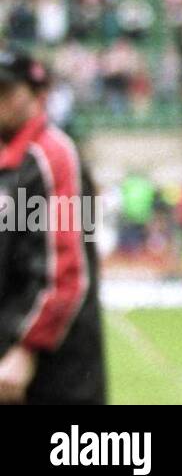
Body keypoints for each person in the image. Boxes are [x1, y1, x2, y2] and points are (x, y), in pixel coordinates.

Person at [0, 50, 106, 405]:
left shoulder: (53, 155)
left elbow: (66, 272)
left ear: (39, 96)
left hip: (51, 370)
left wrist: (25, 349)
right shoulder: (10, 161)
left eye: (7, 91)